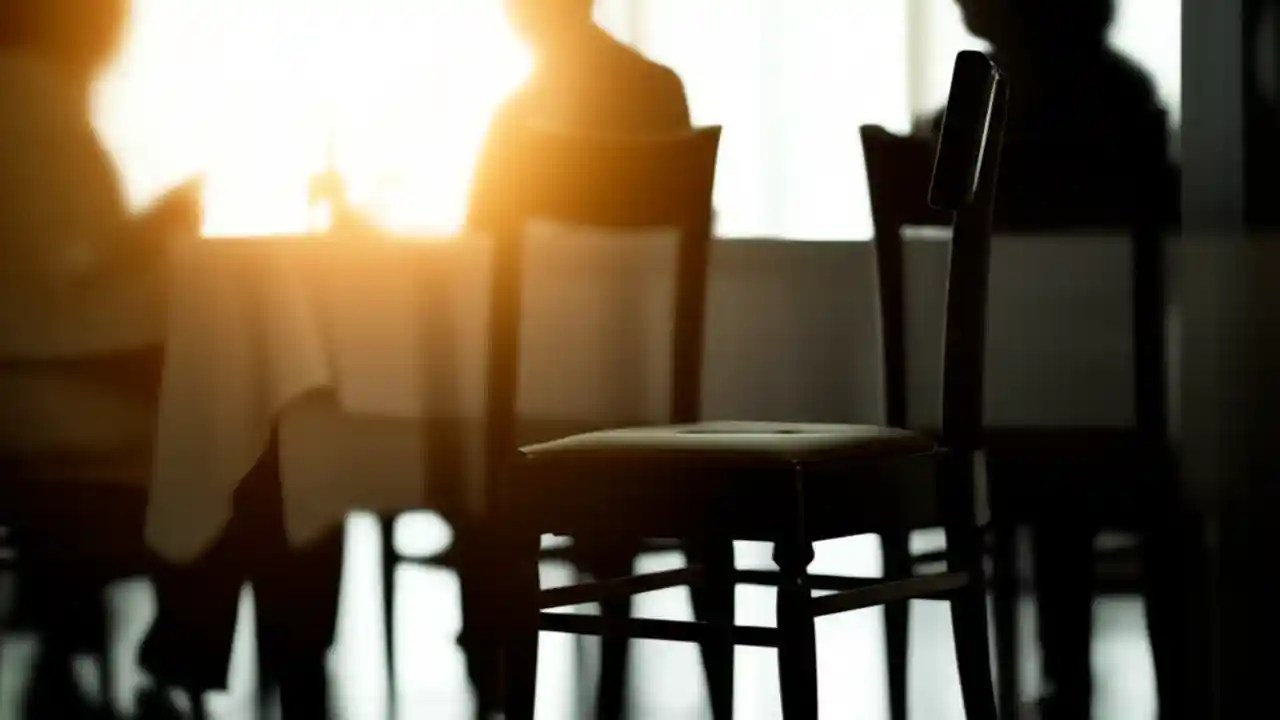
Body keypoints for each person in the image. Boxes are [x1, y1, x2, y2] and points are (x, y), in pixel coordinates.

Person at [925, 2, 1199, 719]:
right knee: (1078, 447)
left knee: (1043, 455)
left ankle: (1060, 683)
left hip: (995, 423)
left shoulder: (976, 119)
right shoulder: (1126, 103)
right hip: (1112, 415)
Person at [461, 2, 694, 716]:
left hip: (522, 407)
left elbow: (471, 245)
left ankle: (491, 660)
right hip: (641, 393)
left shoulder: (515, 118)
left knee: (460, 449)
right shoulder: (658, 89)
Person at [0, 0, 199, 716]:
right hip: (48, 376)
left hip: (38, 366)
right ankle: (182, 662)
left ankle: (94, 640)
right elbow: (69, 264)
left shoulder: (28, 97)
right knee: (245, 426)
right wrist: (163, 231)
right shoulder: (32, 105)